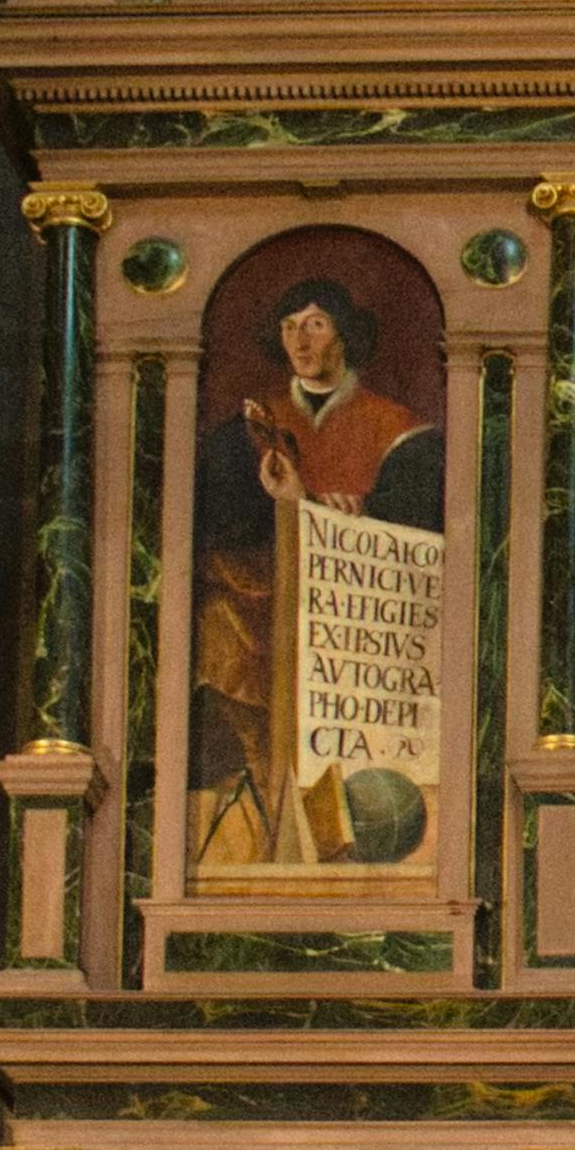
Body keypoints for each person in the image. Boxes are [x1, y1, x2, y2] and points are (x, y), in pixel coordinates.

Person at [190, 273, 445, 878]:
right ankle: (262, 793)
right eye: (289, 327)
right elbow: (223, 522)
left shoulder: (397, 430)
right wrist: (295, 504)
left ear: (344, 336)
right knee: (217, 628)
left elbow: (418, 543)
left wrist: (349, 518)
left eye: (315, 324)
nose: (300, 342)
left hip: (355, 610)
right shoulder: (254, 425)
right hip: (267, 595)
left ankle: (335, 817)